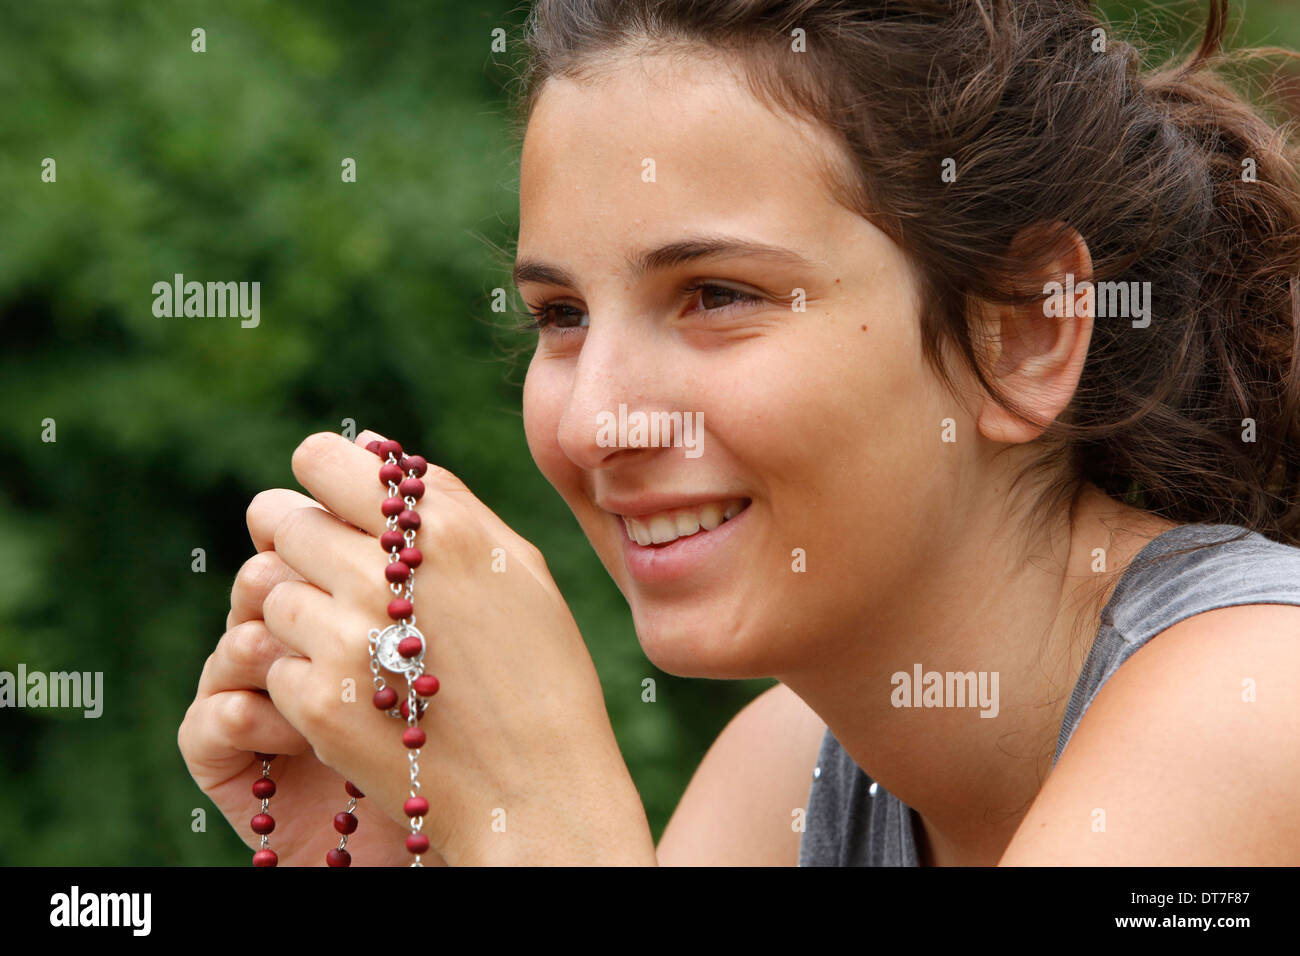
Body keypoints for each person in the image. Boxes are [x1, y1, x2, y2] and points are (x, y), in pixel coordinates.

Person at [178, 0, 1300, 865]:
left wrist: (542, 810)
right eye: (560, 316)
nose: (598, 415)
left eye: (716, 295)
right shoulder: (782, 774)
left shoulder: (1256, 705)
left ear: (1025, 333)